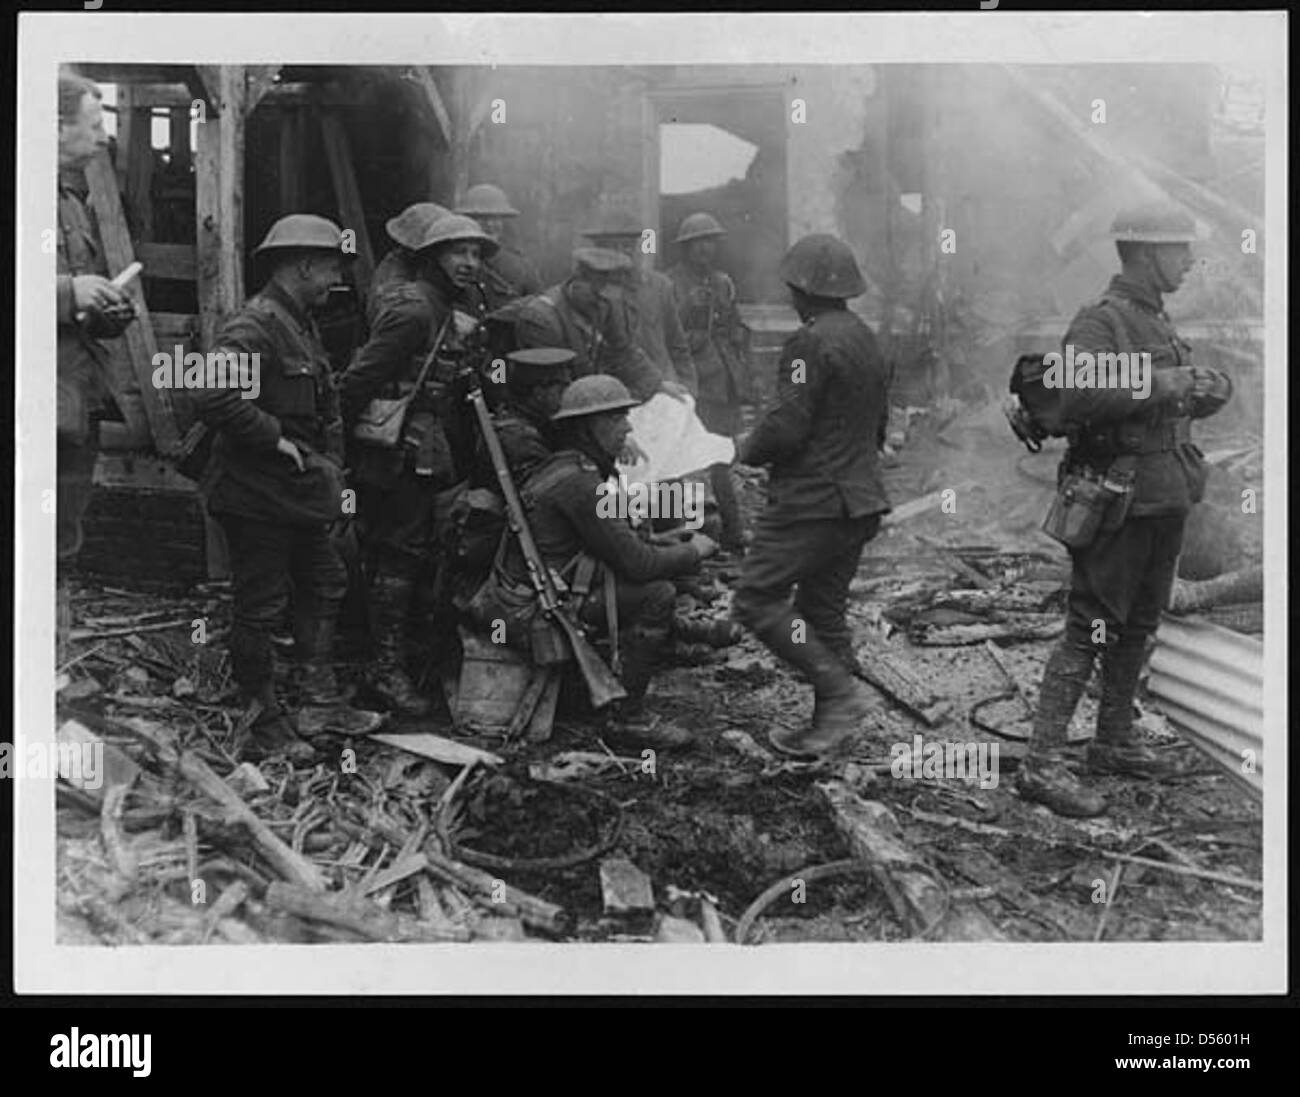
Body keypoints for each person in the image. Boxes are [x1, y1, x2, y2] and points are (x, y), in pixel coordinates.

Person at [1016, 201, 1233, 817]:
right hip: (1118, 499)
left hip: (1165, 495)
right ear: (1144, 252)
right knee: (1090, 626)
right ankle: (1041, 763)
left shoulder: (1156, 321)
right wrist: (1166, 385)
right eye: (1179, 249)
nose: (1190, 261)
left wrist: (1207, 389)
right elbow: (1077, 392)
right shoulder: (1101, 322)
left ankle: (1111, 741)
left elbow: (1173, 396)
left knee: (1139, 623)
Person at [194, 214, 386, 760]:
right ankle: (263, 721)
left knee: (325, 580)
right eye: (330, 268)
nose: (335, 281)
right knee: (261, 606)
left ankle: (316, 701)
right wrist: (272, 436)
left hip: (293, 496)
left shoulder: (297, 321)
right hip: (256, 496)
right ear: (302, 265)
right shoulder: (256, 326)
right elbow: (211, 393)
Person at [731, 234, 890, 760]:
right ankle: (832, 725)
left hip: (812, 503)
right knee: (822, 611)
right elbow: (878, 425)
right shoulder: (867, 339)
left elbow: (790, 422)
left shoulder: (809, 343)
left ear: (801, 289)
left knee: (756, 600)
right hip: (859, 501)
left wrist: (744, 450)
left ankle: (840, 696)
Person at [497, 375, 719, 749]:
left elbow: (619, 537)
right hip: (537, 608)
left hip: (556, 586)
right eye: (615, 419)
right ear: (586, 428)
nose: (628, 426)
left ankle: (676, 637)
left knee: (663, 563)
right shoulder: (579, 482)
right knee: (657, 593)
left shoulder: (575, 468)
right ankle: (626, 720)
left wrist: (665, 541)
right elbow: (639, 566)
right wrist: (694, 550)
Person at [339, 208, 496, 716]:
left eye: (476, 254)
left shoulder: (450, 306)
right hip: (399, 453)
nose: (470, 263)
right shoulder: (413, 310)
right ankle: (383, 669)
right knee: (397, 552)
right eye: (458, 253)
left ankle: (401, 656)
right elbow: (357, 382)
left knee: (420, 550)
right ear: (431, 258)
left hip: (433, 450)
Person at [56, 72, 136, 649]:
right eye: (94, 123)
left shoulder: (70, 202)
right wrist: (67, 292)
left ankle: (49, 669)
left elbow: (75, 304)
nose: (105, 138)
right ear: (56, 126)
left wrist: (104, 308)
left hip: (71, 401)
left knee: (61, 537)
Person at [667, 213, 750, 551]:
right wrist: (690, 313)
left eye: (710, 241)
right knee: (683, 461)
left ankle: (732, 530)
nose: (706, 248)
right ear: (686, 248)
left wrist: (736, 346)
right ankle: (684, 535)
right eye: (698, 242)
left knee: (722, 458)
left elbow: (735, 326)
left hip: (723, 382)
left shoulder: (722, 282)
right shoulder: (670, 283)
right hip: (693, 380)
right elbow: (668, 335)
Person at [515, 247, 668, 403]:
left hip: (587, 401)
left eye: (606, 299)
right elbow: (548, 392)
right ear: (578, 281)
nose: (601, 305)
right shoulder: (541, 320)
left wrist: (655, 382)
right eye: (596, 295)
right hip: (549, 407)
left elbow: (623, 352)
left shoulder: (606, 305)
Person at [581, 208, 696, 399]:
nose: (622, 253)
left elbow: (677, 344)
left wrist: (689, 388)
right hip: (616, 394)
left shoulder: (660, 286)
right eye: (612, 247)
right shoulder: (592, 292)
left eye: (627, 246)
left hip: (664, 391)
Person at [456, 183, 542, 309]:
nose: (490, 225)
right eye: (482, 218)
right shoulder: (453, 262)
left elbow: (538, 311)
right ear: (468, 220)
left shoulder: (521, 267)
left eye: (496, 218)